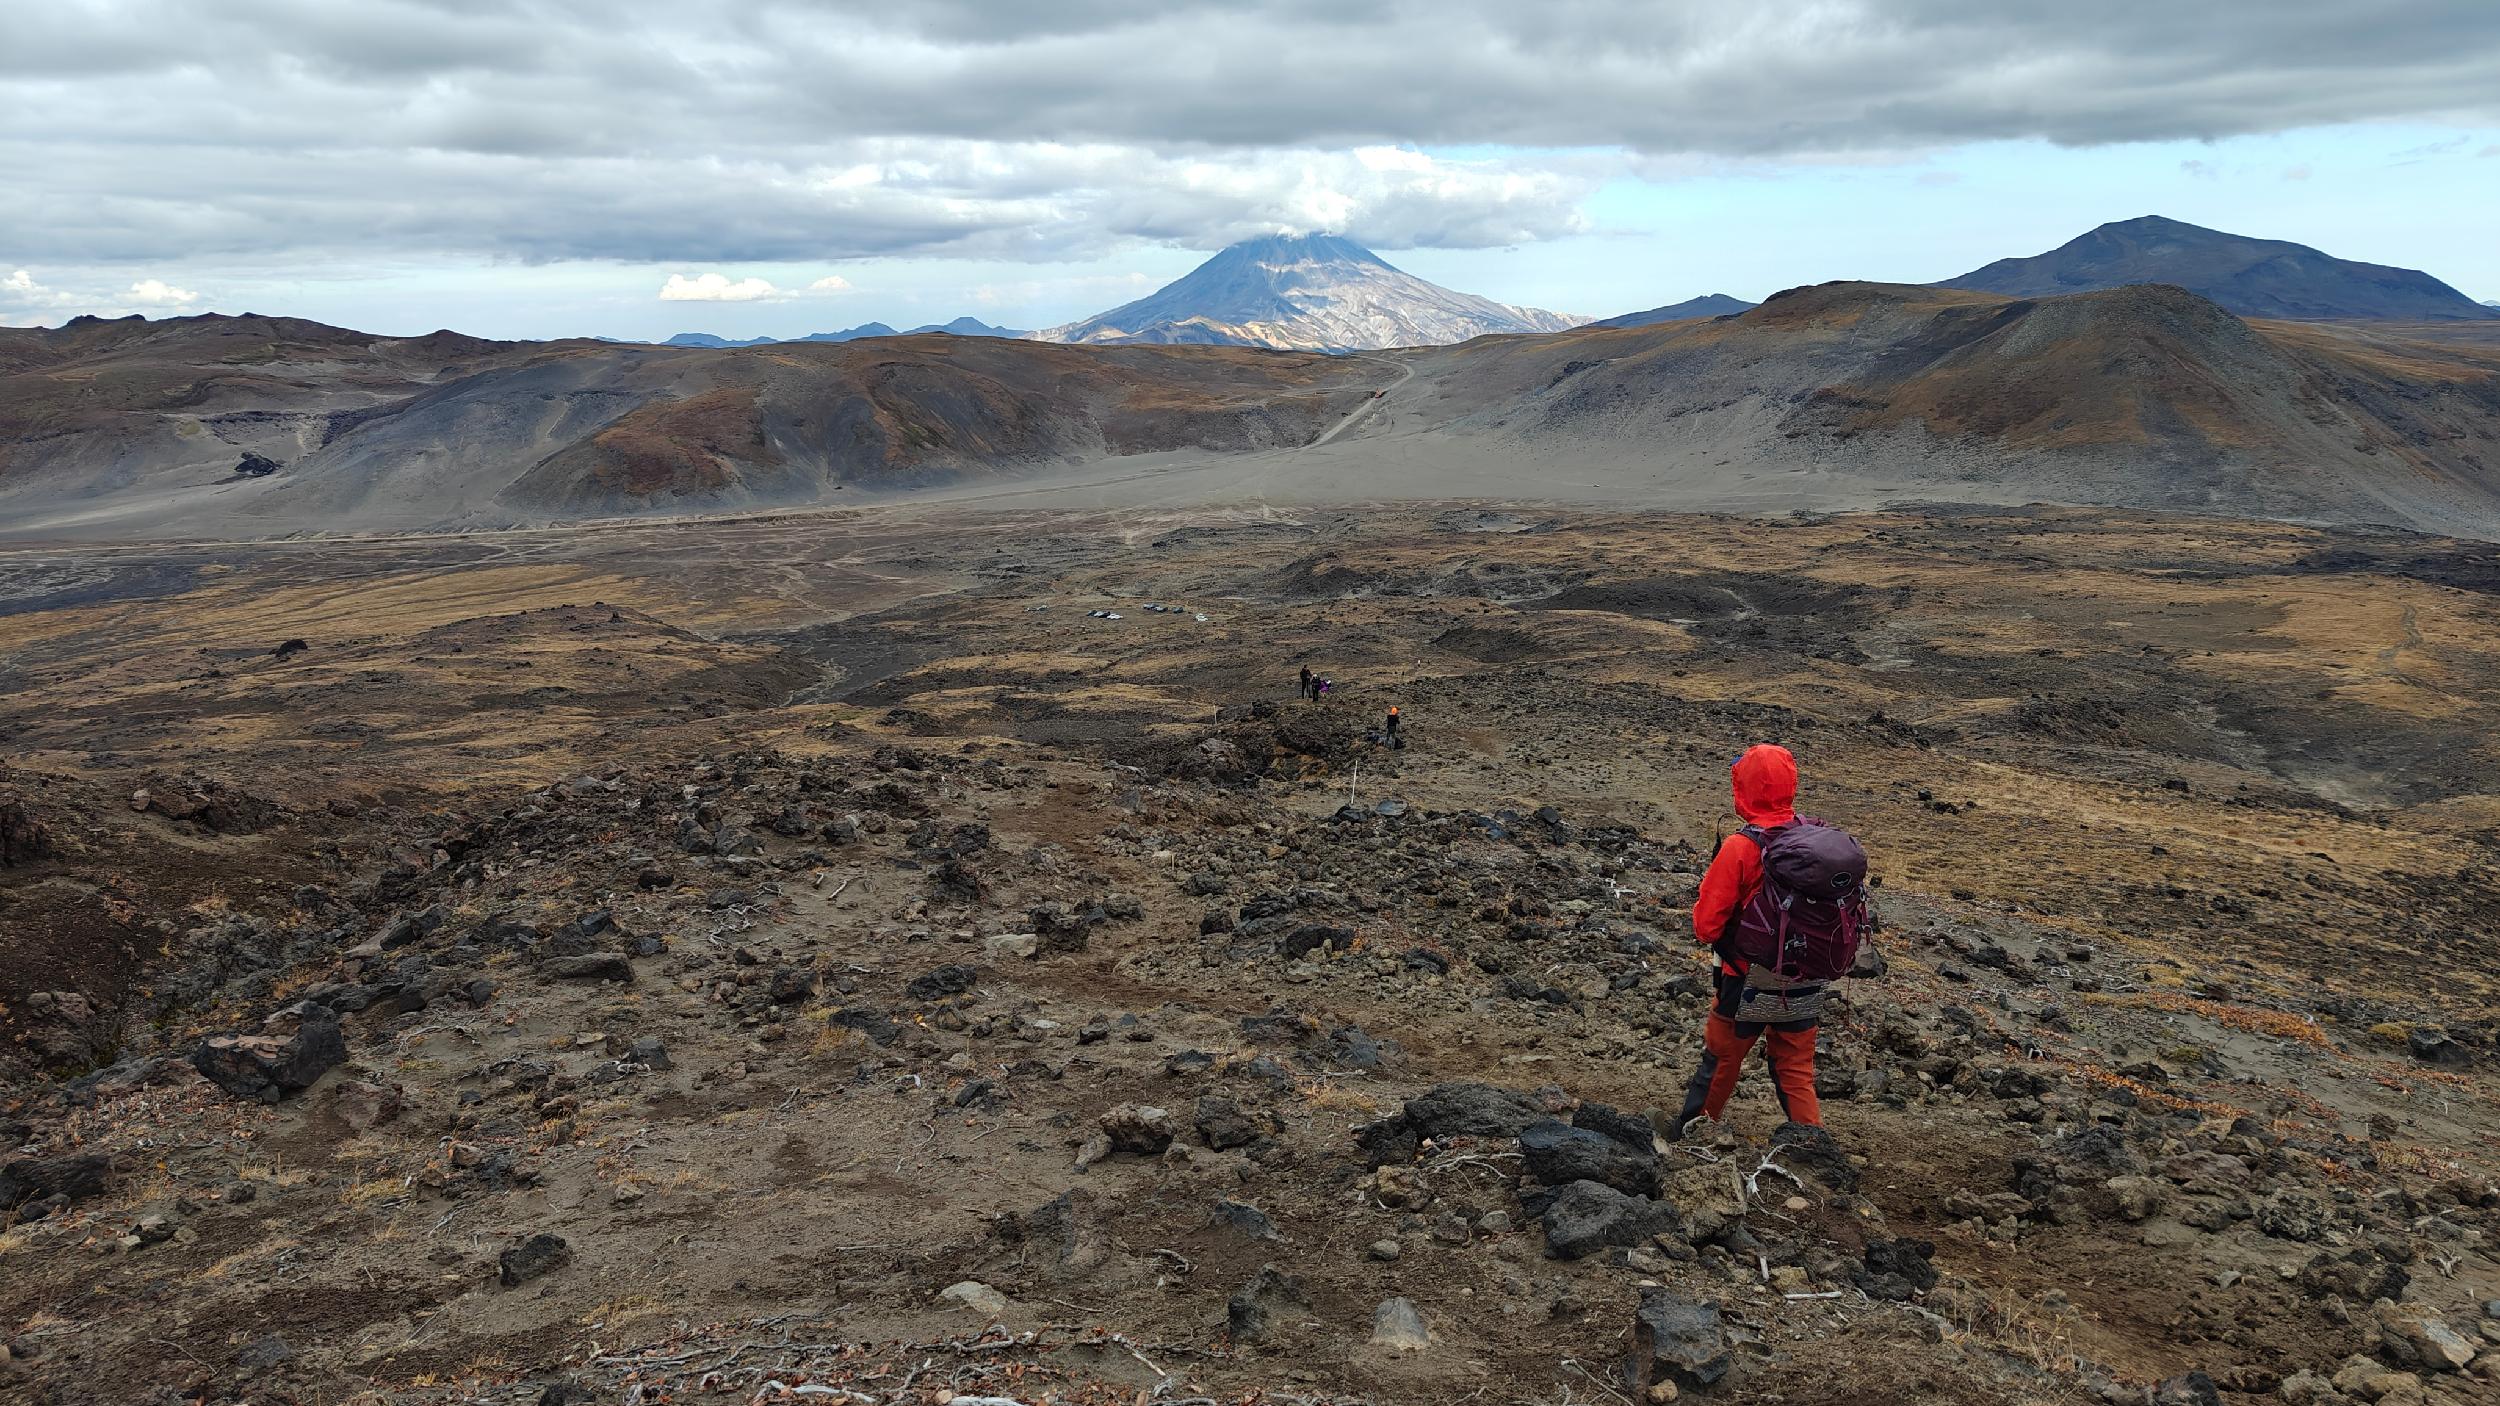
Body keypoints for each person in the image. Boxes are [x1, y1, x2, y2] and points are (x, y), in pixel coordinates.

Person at [1673, 743, 1822, 1137]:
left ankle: (1692, 1138)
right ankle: (1813, 1150)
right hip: (1805, 973)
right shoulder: (1811, 840)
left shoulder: (1742, 847)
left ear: (1743, 787)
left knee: (1722, 1058)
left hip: (1745, 977)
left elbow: (1706, 926)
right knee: (1794, 1068)